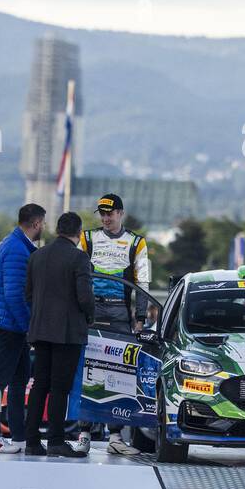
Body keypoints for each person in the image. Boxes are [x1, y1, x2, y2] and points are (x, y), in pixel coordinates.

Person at [78, 193, 151, 456]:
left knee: (118, 373)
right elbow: (75, 274)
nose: (106, 218)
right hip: (90, 310)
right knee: (87, 370)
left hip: (119, 312)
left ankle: (116, 436)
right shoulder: (87, 238)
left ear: (121, 213)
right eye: (102, 213)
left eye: (110, 213)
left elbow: (143, 283)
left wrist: (140, 318)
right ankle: (84, 432)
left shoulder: (137, 242)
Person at [24, 211, 95, 457]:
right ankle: (55, 440)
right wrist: (89, 316)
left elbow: (29, 295)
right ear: (79, 233)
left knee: (39, 386)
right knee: (60, 388)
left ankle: (32, 441)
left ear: (57, 230)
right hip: (67, 333)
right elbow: (85, 297)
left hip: (40, 330)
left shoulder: (37, 256)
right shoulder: (79, 258)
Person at [0, 203, 46, 454]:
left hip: (8, 323)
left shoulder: (12, 243)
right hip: (10, 326)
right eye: (43, 224)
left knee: (19, 382)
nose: (43, 228)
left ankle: (18, 436)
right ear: (37, 223)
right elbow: (15, 296)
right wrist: (29, 327)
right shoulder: (18, 250)